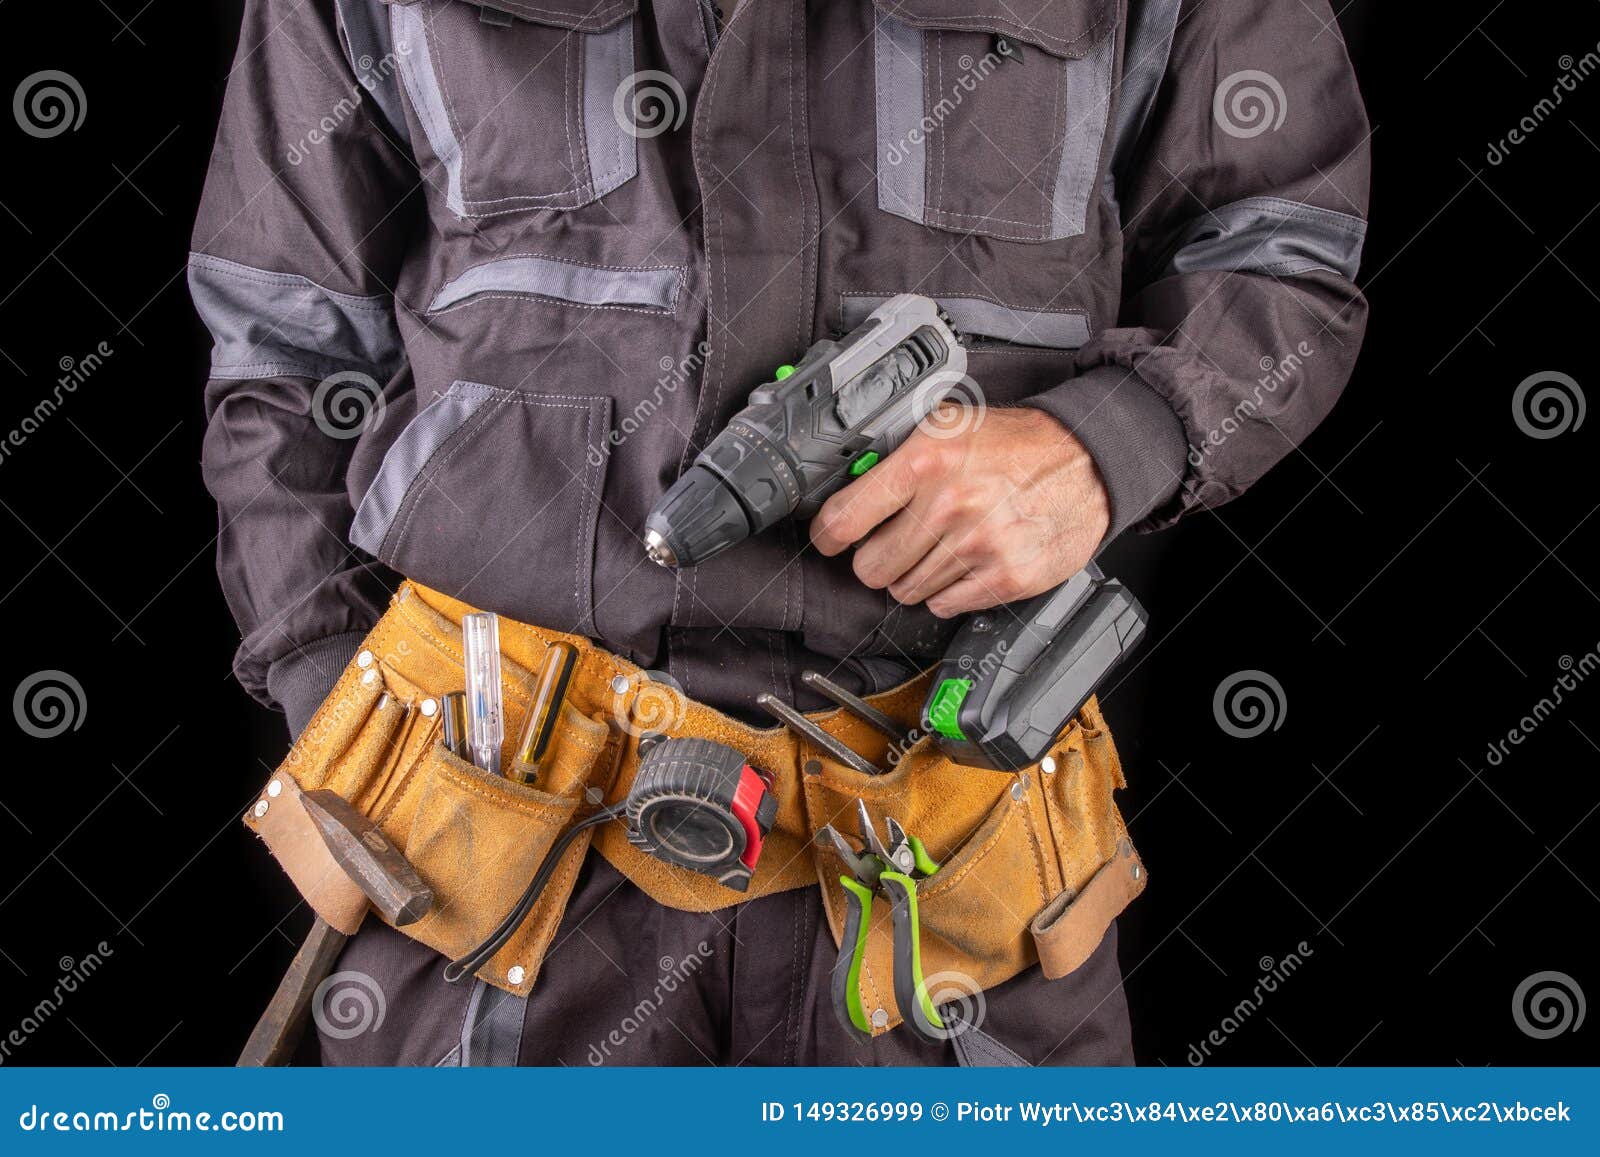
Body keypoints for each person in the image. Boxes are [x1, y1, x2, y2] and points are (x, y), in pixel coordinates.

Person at [191, 0, 1368, 1065]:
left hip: (952, 879)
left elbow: (1280, 248)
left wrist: (1109, 442)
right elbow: (284, 344)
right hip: (488, 879)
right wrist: (347, 717)